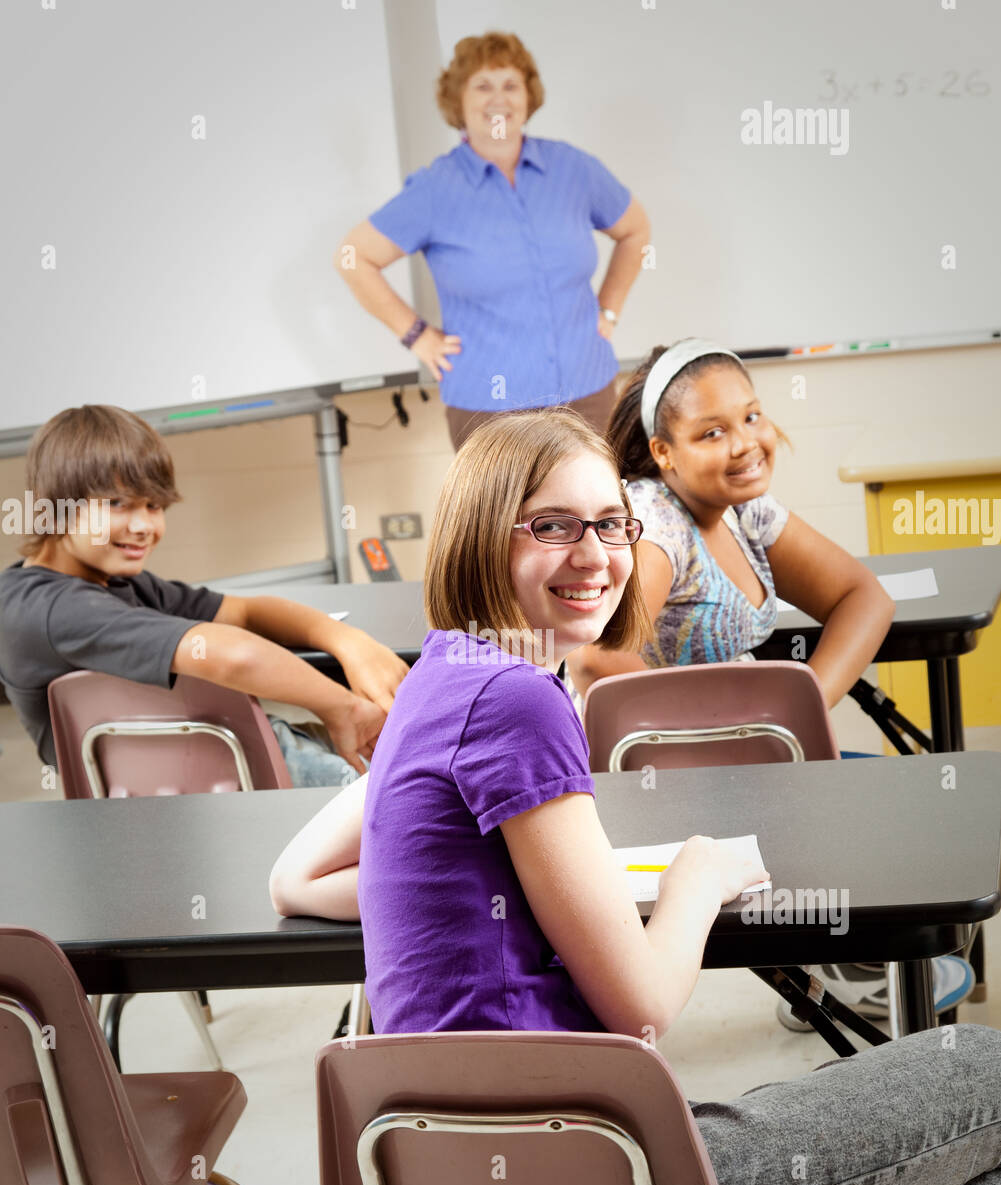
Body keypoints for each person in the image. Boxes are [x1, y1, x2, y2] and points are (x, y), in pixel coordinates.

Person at [269, 409, 1001, 1185]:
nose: (596, 555)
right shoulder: (515, 701)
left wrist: (460, 896)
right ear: (477, 537)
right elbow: (640, 1009)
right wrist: (699, 874)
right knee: (978, 1069)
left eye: (611, 523)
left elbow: (294, 879)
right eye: (551, 526)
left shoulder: (439, 674)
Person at [565, 339, 974, 1024]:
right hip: (685, 789)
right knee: (903, 809)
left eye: (751, 417)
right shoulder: (655, 524)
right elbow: (599, 658)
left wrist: (801, 708)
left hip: (756, 765)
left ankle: (835, 966)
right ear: (663, 452)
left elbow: (862, 597)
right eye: (711, 432)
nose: (745, 443)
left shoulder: (744, 510)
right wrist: (705, 748)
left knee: (914, 801)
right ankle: (843, 966)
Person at [0, 404, 410, 789]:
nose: (145, 525)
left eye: (154, 505)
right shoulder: (51, 610)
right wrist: (343, 708)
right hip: (197, 791)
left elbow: (246, 613)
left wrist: (345, 640)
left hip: (200, 779)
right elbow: (234, 655)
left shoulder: (115, 583)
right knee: (405, 786)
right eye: (117, 504)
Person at [336, 31, 649, 450]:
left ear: (528, 96)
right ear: (457, 101)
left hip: (587, 395)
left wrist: (608, 310)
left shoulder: (573, 170)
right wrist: (416, 335)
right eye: (483, 85)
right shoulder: (435, 190)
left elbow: (635, 230)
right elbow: (353, 257)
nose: (498, 98)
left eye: (510, 85)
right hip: (487, 412)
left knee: (593, 515)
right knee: (502, 519)